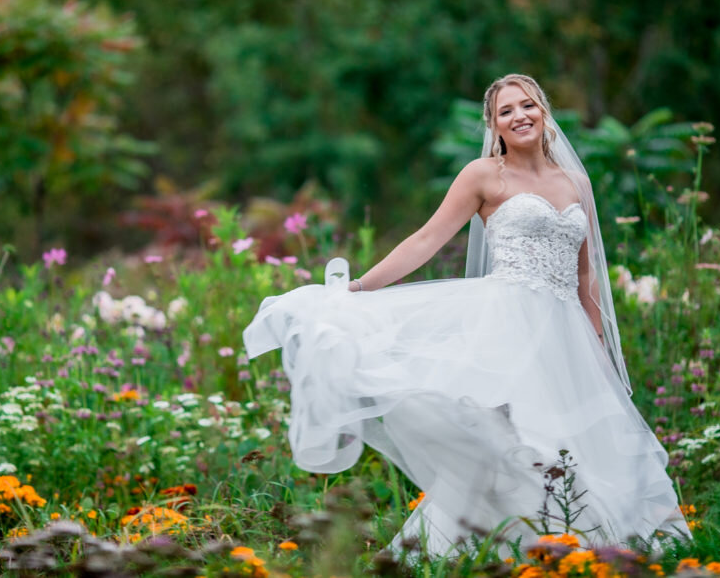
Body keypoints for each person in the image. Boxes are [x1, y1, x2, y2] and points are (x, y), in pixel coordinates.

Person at [242, 74, 689, 558]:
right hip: (507, 323)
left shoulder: (576, 182)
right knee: (508, 444)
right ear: (494, 125)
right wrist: (358, 288)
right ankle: (472, 551)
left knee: (569, 448)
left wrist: (597, 346)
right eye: (506, 111)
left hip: (567, 337)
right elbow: (426, 240)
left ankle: (575, 552)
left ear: (544, 111)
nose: (519, 116)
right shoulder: (483, 176)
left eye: (527, 106)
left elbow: (586, 277)